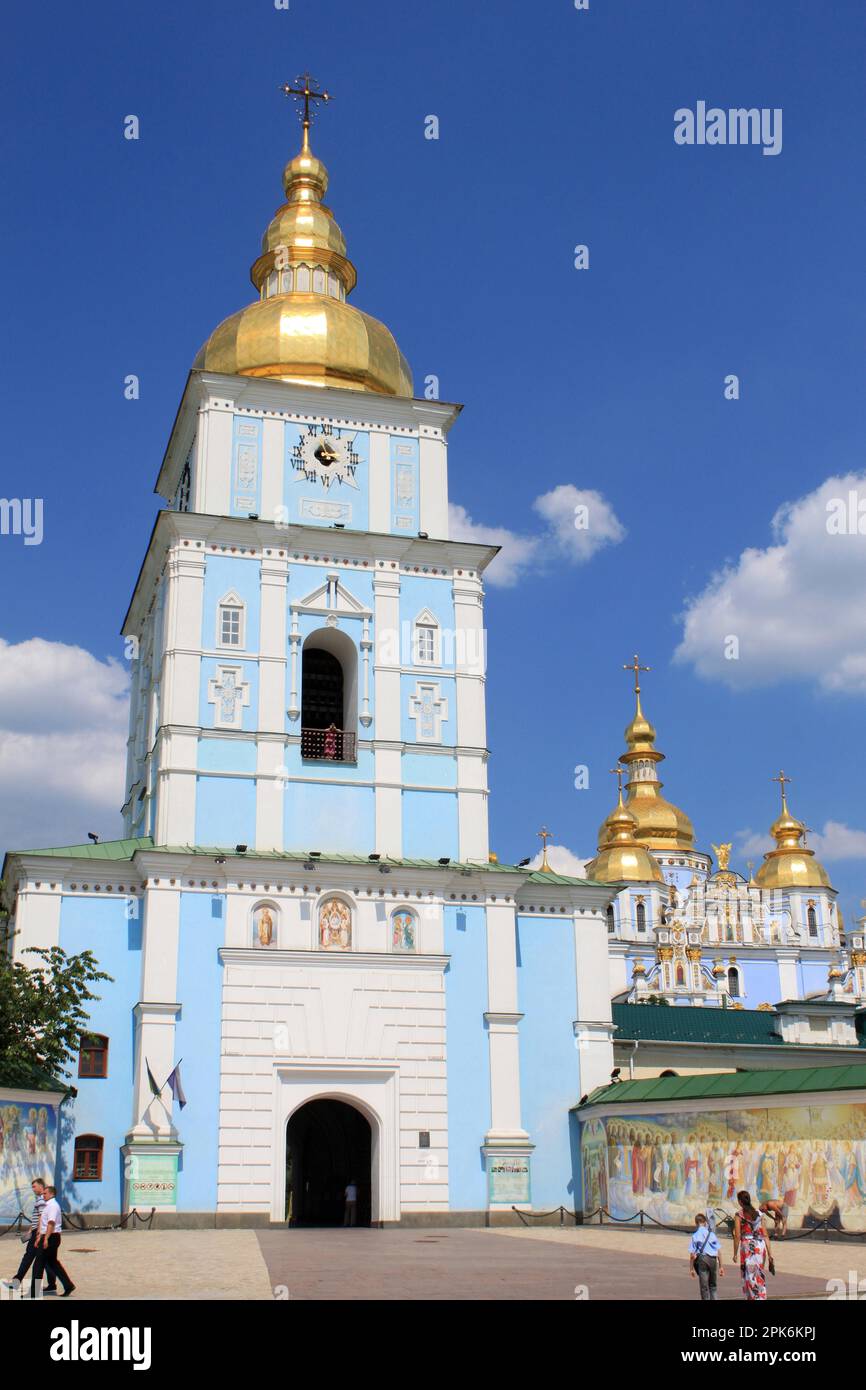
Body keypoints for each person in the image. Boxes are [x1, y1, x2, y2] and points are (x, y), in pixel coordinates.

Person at [6, 1178, 56, 1294]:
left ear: (40, 1186)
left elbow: (42, 1217)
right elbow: (37, 1218)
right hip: (38, 1232)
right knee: (46, 1260)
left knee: (29, 1258)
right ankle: (52, 1284)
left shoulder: (42, 1200)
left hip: (39, 1233)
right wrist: (31, 1229)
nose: (32, 1189)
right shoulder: (41, 1199)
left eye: (34, 1186)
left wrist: (37, 1233)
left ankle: (18, 1283)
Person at [31, 1185, 74, 1297]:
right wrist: (39, 1237)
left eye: (45, 1193)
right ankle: (68, 1285)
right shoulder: (48, 1205)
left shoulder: (53, 1206)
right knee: (52, 1263)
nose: (43, 1195)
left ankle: (34, 1292)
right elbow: (44, 1224)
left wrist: (45, 1239)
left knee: (38, 1264)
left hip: (51, 1237)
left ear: (52, 1194)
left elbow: (51, 1223)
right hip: (49, 1236)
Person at [733, 1189, 773, 1301]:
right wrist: (770, 1254)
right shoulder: (760, 1214)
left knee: (749, 1275)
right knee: (758, 1274)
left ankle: (753, 1298)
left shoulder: (739, 1215)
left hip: (748, 1247)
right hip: (760, 1247)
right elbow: (765, 1235)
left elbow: (737, 1236)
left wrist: (735, 1254)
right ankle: (761, 1297)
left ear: (740, 1201)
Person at [688, 1212, 724, 1300]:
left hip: (702, 1260)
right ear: (705, 1223)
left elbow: (692, 1255)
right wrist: (721, 1267)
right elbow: (719, 1252)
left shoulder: (695, 1235)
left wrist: (691, 1268)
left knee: (704, 1288)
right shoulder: (711, 1234)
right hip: (713, 1260)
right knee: (713, 1286)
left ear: (696, 1223)